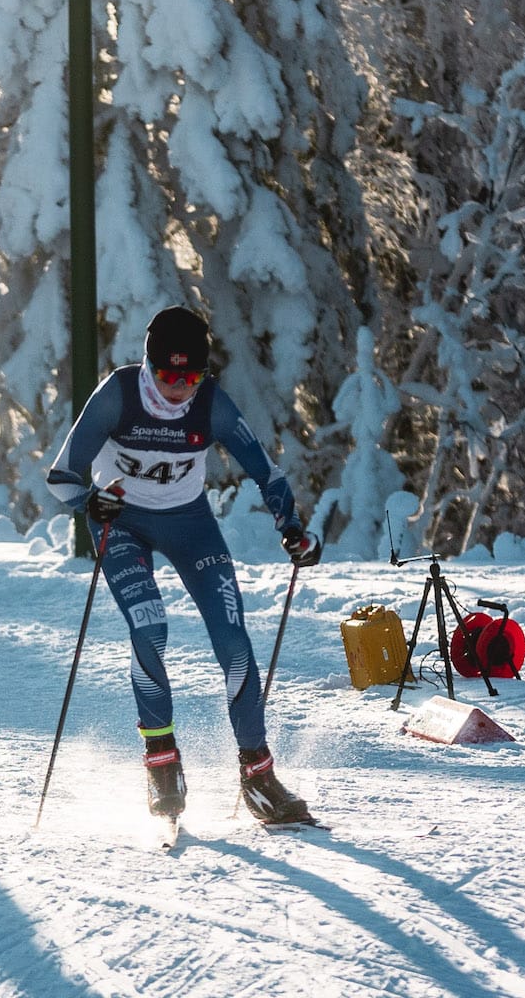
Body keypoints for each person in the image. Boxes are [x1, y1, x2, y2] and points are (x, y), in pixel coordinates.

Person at [45, 306, 322, 824]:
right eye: (169, 375)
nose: (179, 388)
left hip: (190, 524)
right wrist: (90, 503)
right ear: (149, 365)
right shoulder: (118, 394)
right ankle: (161, 764)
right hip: (122, 522)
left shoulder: (211, 405)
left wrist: (293, 528)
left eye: (191, 376)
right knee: (151, 629)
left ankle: (258, 776)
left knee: (235, 642)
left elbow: (266, 471)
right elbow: (62, 476)